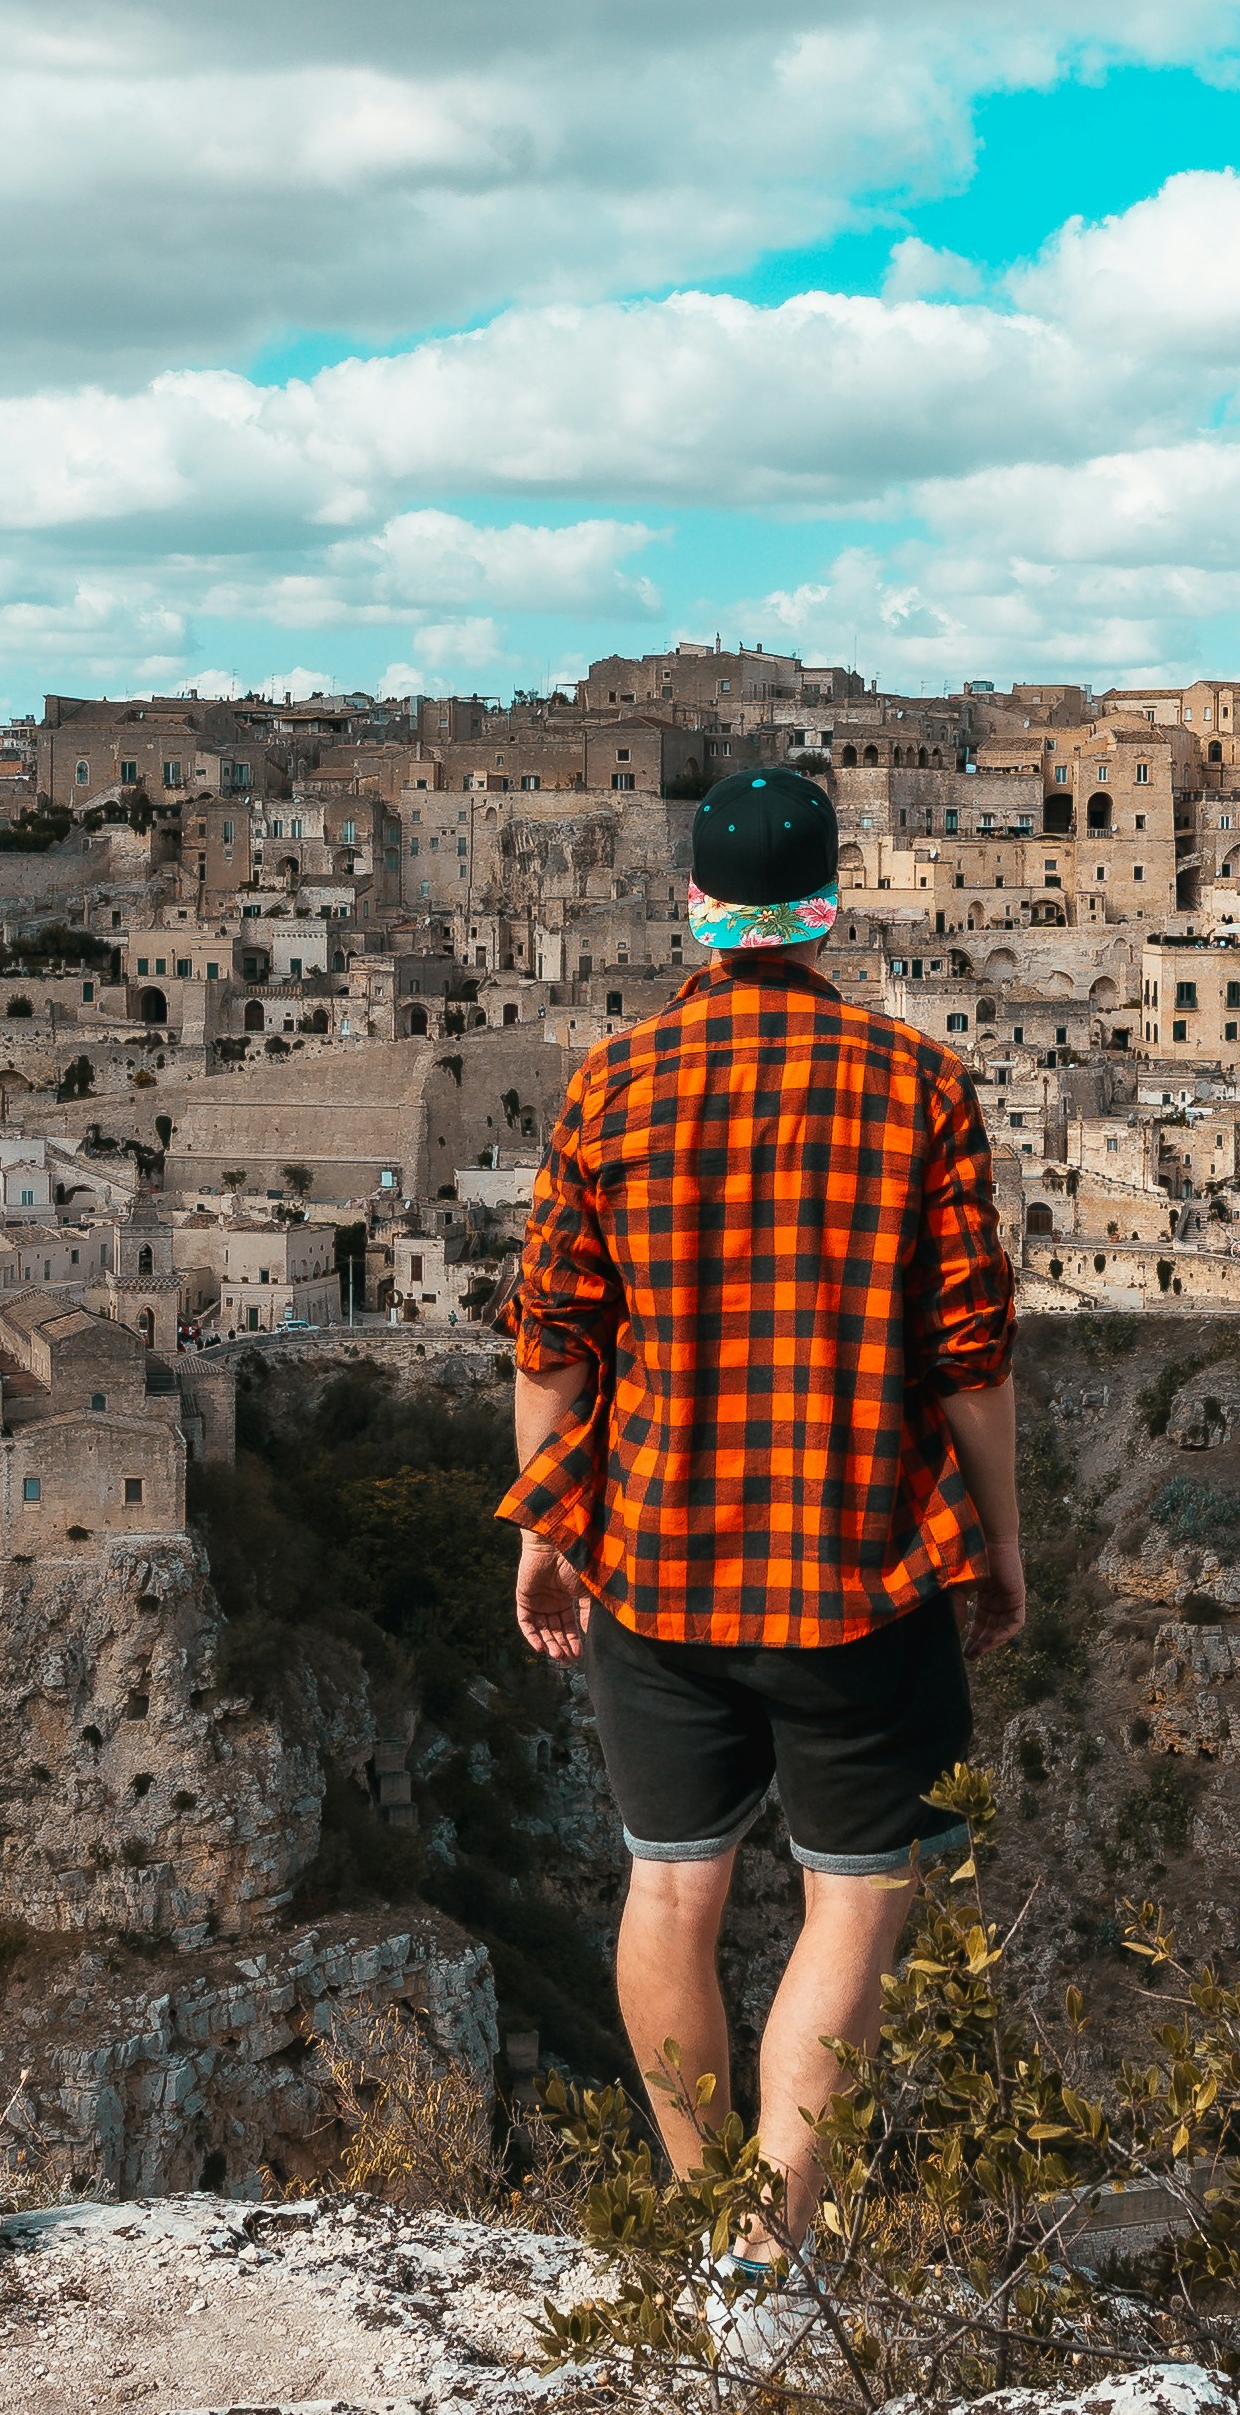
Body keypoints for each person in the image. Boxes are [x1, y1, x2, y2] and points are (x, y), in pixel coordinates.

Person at [497, 764, 1027, 2331]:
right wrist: (1000, 1543)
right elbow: (972, 1355)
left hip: (657, 1565)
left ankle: (699, 2209)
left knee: (673, 1887)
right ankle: (769, 2260)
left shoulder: (615, 1081)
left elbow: (549, 1338)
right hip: (860, 1562)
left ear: (695, 912)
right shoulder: (915, 1081)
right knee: (852, 1901)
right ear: (828, 910)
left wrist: (546, 1522)